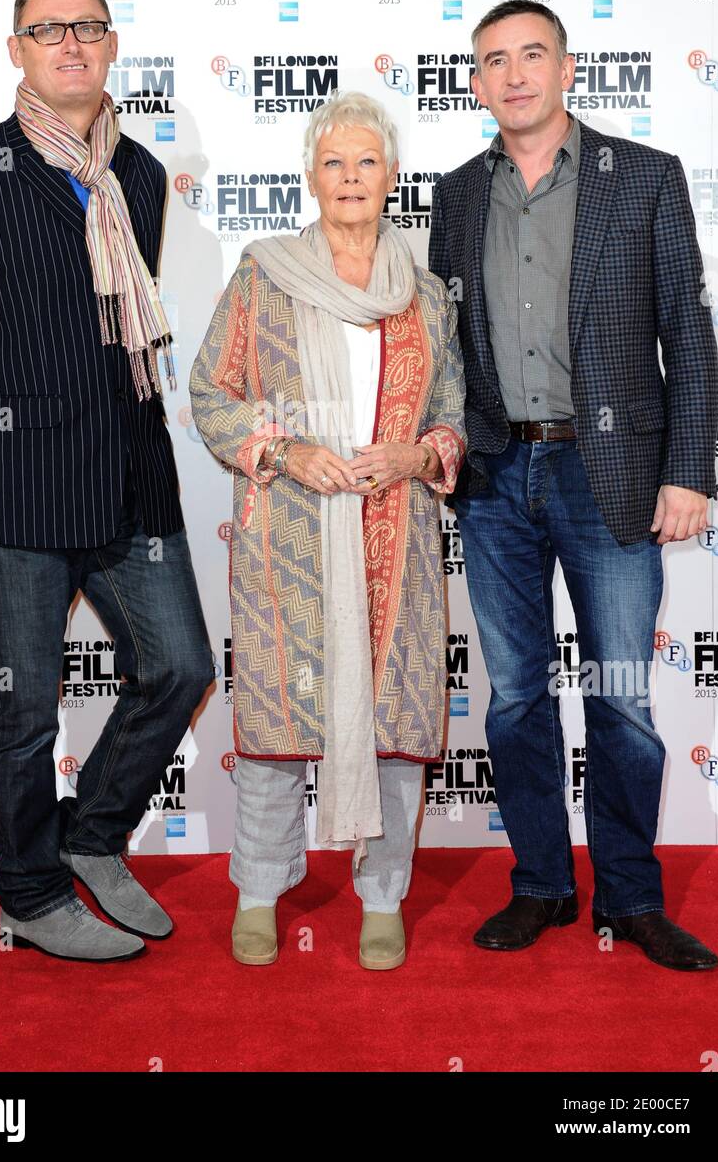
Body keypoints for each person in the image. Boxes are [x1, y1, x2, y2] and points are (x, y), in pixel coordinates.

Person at [0, 0, 214, 962]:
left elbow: (121, 323)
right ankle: (28, 897)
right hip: (11, 490)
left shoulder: (142, 176)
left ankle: (92, 834)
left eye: (85, 25)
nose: (69, 43)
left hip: (130, 472)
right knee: (23, 710)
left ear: (111, 43)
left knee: (181, 665)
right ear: (17, 50)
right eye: (46, 29)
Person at [428, 0, 718, 971]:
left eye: (529, 55)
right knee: (513, 698)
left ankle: (630, 898)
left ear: (565, 69)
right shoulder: (457, 194)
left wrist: (685, 472)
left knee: (623, 698)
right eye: (491, 61)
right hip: (494, 473)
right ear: (474, 82)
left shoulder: (640, 178)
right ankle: (542, 886)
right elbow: (442, 344)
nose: (511, 74)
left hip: (614, 474)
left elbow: (684, 330)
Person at [190, 91, 466, 971]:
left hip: (398, 541)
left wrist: (419, 455)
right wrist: (284, 451)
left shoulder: (424, 294)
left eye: (367, 162)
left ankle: (382, 894)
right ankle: (261, 888)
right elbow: (210, 393)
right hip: (289, 540)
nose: (350, 177)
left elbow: (454, 409)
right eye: (334, 163)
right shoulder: (262, 276)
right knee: (276, 730)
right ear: (310, 177)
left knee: (392, 723)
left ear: (392, 177)